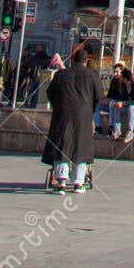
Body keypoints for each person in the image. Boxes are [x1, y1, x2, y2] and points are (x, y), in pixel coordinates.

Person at [41, 46, 103, 194]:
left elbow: (50, 93)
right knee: (81, 148)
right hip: (83, 116)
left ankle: (61, 182)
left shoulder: (61, 75)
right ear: (86, 60)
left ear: (73, 59)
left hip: (63, 115)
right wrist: (90, 110)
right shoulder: (92, 75)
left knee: (62, 146)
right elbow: (99, 97)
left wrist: (59, 106)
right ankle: (78, 183)